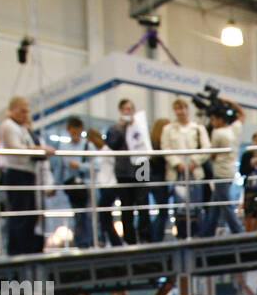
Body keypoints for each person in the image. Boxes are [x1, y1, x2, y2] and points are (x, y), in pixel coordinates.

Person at [0, 96, 55, 256]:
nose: (25, 114)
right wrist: (40, 150)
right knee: (20, 215)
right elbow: (18, 149)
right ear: (13, 109)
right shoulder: (8, 126)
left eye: (27, 111)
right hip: (17, 174)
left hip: (28, 173)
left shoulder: (21, 127)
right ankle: (17, 252)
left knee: (29, 215)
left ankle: (27, 249)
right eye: (22, 111)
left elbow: (30, 145)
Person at [105, 99, 153, 244]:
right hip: (124, 171)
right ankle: (130, 239)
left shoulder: (140, 127)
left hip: (141, 166)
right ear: (121, 111)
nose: (128, 112)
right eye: (125, 109)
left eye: (130, 109)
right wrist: (121, 127)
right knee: (127, 206)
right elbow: (112, 145)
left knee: (143, 202)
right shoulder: (115, 129)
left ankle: (145, 236)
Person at [162, 100, 211, 238]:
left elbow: (206, 148)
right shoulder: (168, 129)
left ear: (187, 109)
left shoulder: (198, 128)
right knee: (180, 208)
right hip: (177, 174)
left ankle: (197, 234)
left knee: (196, 207)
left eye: (183, 108)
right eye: (178, 108)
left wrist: (194, 161)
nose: (181, 111)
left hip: (195, 173)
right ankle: (181, 235)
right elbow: (165, 148)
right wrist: (178, 164)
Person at [50, 117, 94, 249]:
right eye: (73, 133)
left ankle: (89, 241)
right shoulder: (63, 147)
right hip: (72, 187)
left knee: (87, 215)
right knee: (78, 215)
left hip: (86, 185)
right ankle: (82, 242)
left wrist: (79, 166)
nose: (75, 136)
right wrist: (54, 187)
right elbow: (59, 169)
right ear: (69, 131)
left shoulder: (88, 146)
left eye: (77, 133)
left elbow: (95, 166)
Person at [200, 110, 245, 237]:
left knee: (225, 204)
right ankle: (207, 232)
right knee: (215, 204)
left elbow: (213, 154)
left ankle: (238, 231)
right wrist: (227, 102)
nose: (212, 123)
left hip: (221, 171)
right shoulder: (234, 129)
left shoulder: (217, 133)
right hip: (231, 170)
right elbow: (242, 115)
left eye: (214, 119)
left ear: (220, 120)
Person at [88, 128, 124, 248]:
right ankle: (111, 242)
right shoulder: (97, 152)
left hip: (110, 185)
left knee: (104, 218)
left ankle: (114, 242)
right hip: (103, 186)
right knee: (105, 218)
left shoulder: (106, 151)